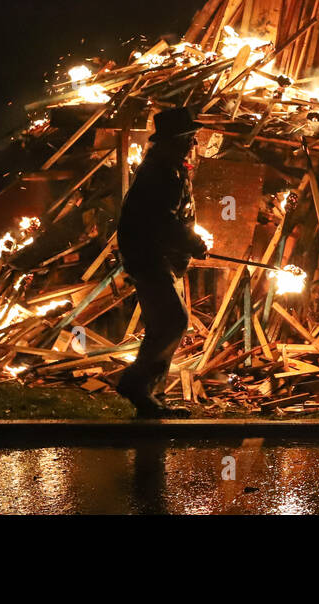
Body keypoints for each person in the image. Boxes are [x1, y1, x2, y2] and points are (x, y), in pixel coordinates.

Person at [114, 106, 209, 418]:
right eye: (189, 137)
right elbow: (162, 222)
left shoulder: (169, 168)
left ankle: (149, 397)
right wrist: (192, 242)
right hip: (149, 255)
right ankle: (137, 383)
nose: (193, 143)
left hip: (157, 256)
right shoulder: (162, 172)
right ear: (175, 139)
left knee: (163, 324)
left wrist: (186, 245)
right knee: (172, 321)